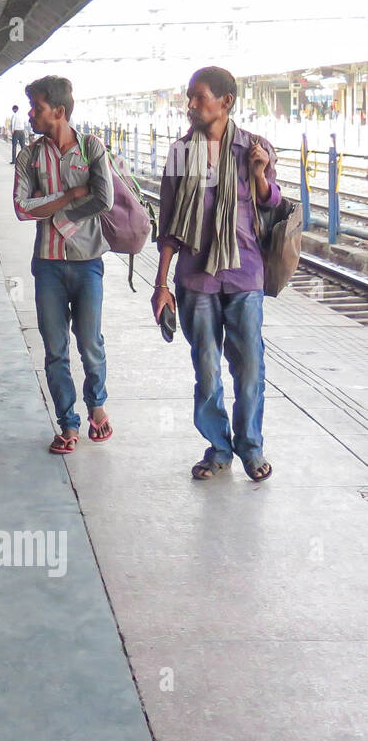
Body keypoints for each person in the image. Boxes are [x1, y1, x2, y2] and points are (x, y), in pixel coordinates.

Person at [154, 65, 279, 483]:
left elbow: (270, 204)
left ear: (226, 102)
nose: (191, 105)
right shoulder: (180, 152)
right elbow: (169, 221)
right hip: (195, 277)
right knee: (206, 367)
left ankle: (251, 447)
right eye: (189, 97)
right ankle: (219, 448)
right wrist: (161, 284)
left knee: (249, 368)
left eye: (199, 97)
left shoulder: (254, 148)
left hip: (244, 274)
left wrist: (260, 173)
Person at [13, 76, 115, 453]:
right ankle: (67, 422)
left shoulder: (91, 148)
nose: (31, 114)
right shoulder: (30, 156)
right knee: (55, 348)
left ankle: (97, 405)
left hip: (88, 261)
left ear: (59, 110)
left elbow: (103, 199)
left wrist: (51, 204)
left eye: (36, 107)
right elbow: (22, 208)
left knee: (90, 342)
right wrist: (71, 194)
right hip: (48, 265)